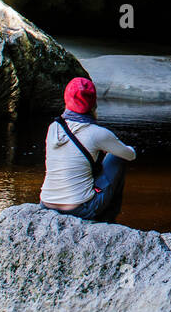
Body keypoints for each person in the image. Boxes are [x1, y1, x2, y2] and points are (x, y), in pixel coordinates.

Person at [39, 77, 136, 223]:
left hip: (46, 204)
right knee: (117, 157)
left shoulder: (53, 127)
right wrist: (112, 149)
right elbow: (130, 155)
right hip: (80, 209)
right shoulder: (97, 133)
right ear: (93, 103)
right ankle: (108, 221)